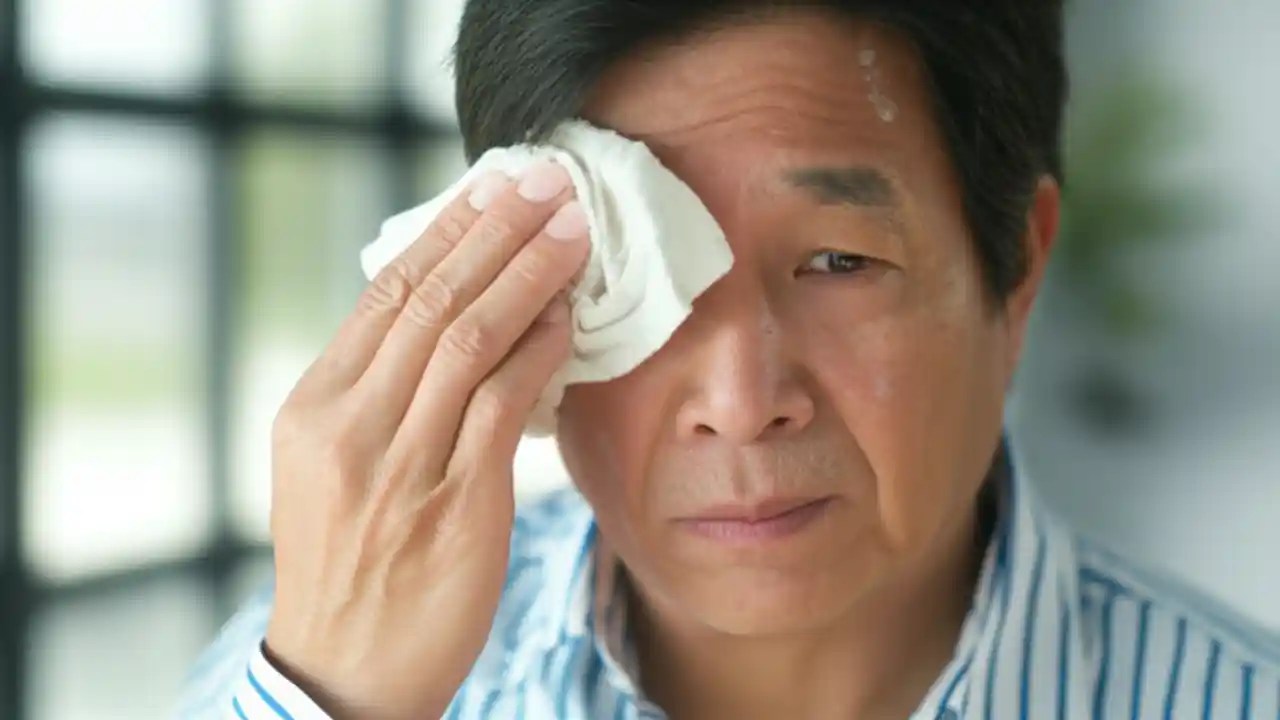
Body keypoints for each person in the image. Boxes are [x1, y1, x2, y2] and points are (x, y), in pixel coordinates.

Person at [179, 1, 1280, 718]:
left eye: (840, 260)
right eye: (630, 276)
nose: (739, 404)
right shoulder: (323, 680)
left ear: (1017, 274)